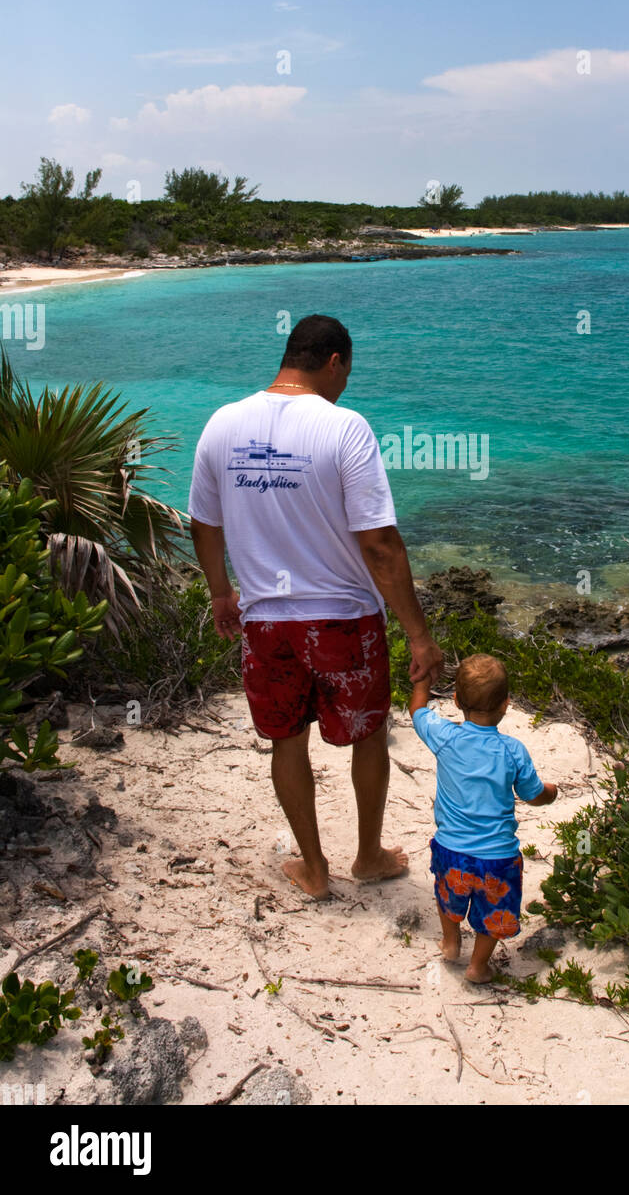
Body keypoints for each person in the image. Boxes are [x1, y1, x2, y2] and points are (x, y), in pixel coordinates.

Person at [188, 313, 443, 900]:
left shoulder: (222, 425)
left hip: (267, 621)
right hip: (343, 619)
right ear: (335, 361)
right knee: (369, 735)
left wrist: (221, 592)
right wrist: (418, 634)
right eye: (346, 372)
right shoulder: (346, 428)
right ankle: (369, 856)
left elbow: (205, 523)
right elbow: (379, 544)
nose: (346, 384)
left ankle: (314, 868)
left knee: (286, 740)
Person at [409, 653, 558, 983]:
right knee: (494, 914)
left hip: (451, 851)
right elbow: (534, 795)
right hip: (498, 859)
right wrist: (552, 792)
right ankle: (478, 966)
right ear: (507, 703)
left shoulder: (444, 736)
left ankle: (450, 943)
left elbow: (418, 710)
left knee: (448, 898)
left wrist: (422, 678)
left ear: (457, 700)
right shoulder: (513, 751)